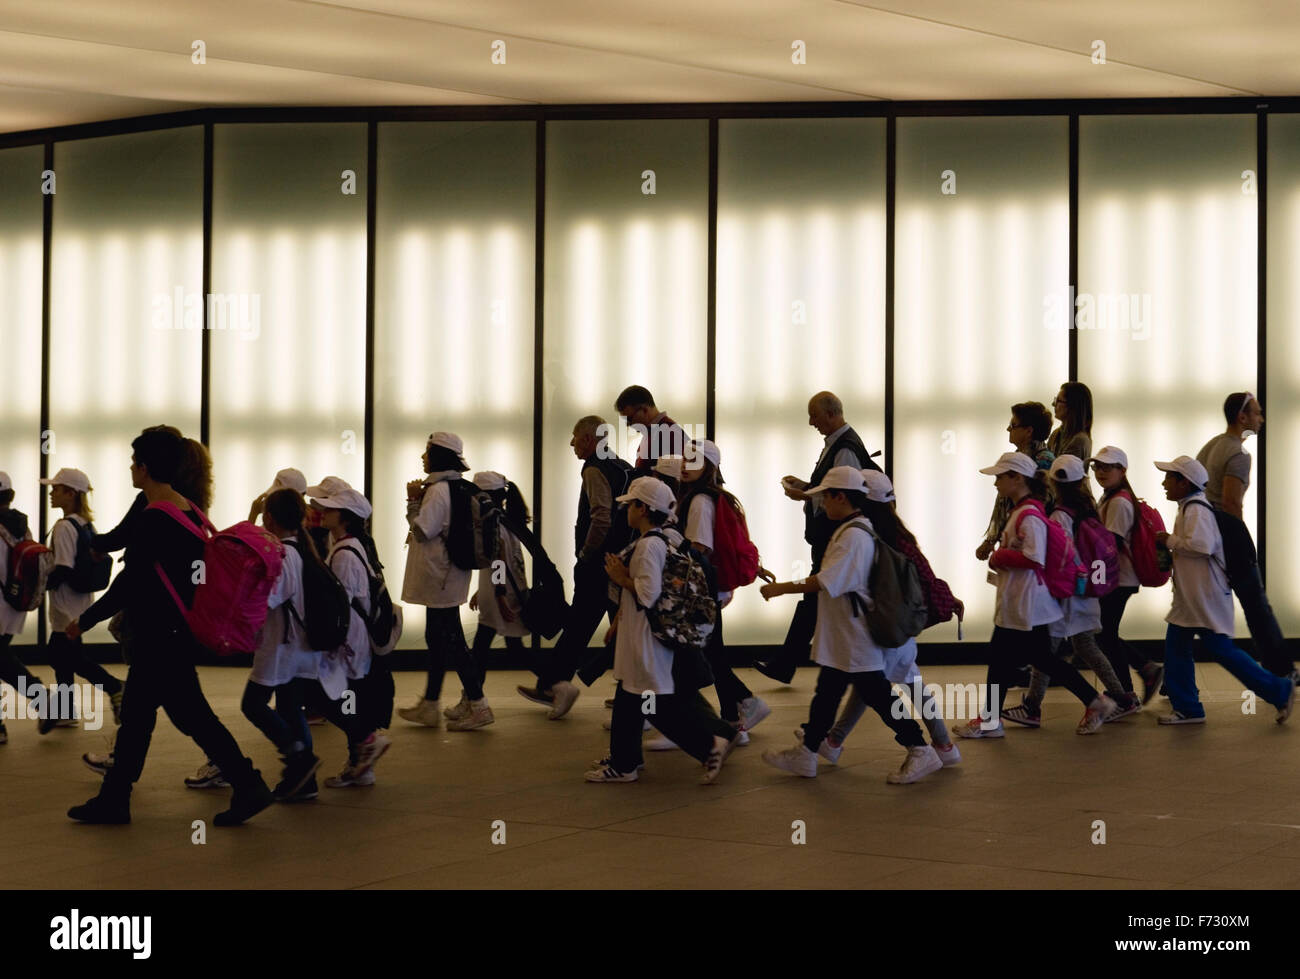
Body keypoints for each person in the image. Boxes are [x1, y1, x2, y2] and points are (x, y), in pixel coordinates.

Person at [66, 427, 274, 826]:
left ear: (144, 468)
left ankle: (247, 785)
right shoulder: (188, 511)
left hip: (157, 635)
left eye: (133, 462)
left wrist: (85, 620)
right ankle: (117, 799)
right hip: (175, 632)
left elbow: (131, 582)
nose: (130, 468)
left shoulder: (155, 517)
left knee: (176, 718)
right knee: (151, 718)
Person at [759, 467, 942, 784]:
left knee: (878, 696)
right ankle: (808, 752)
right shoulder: (853, 530)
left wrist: (782, 587)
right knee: (828, 693)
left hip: (854, 635)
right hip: (845, 635)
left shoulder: (854, 536)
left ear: (840, 497)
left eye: (825, 498)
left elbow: (825, 581)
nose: (823, 505)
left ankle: (919, 748)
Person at [804, 470, 963, 768]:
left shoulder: (868, 535)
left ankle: (934, 745)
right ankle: (942, 746)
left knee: (874, 685)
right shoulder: (895, 534)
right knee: (878, 684)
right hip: (894, 626)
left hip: (884, 627)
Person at [955, 452, 1118, 740]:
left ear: (1017, 479)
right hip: (1023, 604)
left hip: (1026, 605)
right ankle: (991, 719)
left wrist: (999, 556)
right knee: (1018, 659)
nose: (995, 484)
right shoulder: (1025, 511)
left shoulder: (1028, 515)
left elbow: (1034, 557)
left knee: (1028, 659)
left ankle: (1095, 702)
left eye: (1000, 477)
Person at [586, 476, 736, 784]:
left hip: (644, 641)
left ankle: (709, 745)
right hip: (641, 639)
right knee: (635, 700)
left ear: (642, 508)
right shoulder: (661, 541)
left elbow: (647, 594)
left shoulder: (648, 546)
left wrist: (620, 576)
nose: (626, 510)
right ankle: (626, 761)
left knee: (655, 704)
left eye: (630, 504)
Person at [1153, 455, 1294, 725]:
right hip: (1193, 598)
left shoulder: (1196, 509)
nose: (1164, 483)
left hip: (1203, 597)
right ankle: (1188, 707)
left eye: (1169, 478)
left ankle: (1278, 689)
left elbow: (1202, 545)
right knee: (1176, 648)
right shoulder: (1190, 507)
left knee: (1220, 650)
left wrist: (1169, 541)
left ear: (1184, 482)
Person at [1000, 455, 1138, 728]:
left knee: (1047, 651)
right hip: (1086, 589)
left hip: (1068, 591)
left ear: (1053, 481)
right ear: (1082, 480)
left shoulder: (1060, 514)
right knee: (1084, 645)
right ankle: (1124, 697)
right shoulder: (1088, 507)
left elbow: (1061, 556)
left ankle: (1032, 708)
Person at [757, 391, 882, 683]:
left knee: (815, 595)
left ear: (831, 414)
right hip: (830, 537)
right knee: (813, 601)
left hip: (831, 537)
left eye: (814, 415)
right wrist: (808, 488)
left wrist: (805, 495)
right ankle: (791, 663)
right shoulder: (839, 445)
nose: (811, 422)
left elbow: (845, 495)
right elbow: (835, 489)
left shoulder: (845, 448)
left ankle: (793, 662)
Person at [518, 416, 632, 718]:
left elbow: (601, 516)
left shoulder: (594, 468)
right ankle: (556, 685)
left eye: (574, 437)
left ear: (588, 439)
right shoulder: (622, 466)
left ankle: (557, 686)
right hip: (622, 560)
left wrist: (586, 552)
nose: (571, 444)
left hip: (599, 564)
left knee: (581, 625)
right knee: (613, 626)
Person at [1195, 392, 1293, 681]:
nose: (1261, 419)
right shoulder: (1238, 453)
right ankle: (1282, 670)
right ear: (1242, 417)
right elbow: (1231, 503)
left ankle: (1176, 678)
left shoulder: (1211, 445)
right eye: (1257, 413)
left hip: (1205, 534)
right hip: (1226, 537)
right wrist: (1243, 545)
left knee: (1194, 611)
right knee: (1257, 605)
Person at [677, 439, 771, 734]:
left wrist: (681, 586)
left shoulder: (700, 501)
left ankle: (746, 702)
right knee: (712, 652)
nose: (685, 464)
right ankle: (732, 718)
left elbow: (699, 548)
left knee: (707, 655)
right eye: (684, 458)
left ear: (709, 466)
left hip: (701, 590)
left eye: (693, 460)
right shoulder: (716, 497)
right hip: (713, 588)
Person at [240, 488, 324, 801]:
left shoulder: (284, 556)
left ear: (269, 518)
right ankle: (303, 781)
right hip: (301, 646)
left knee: (252, 705)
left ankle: (299, 760)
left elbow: (270, 599)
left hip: (280, 647)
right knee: (290, 708)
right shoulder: (303, 550)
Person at [310, 485, 393, 785]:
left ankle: (365, 740)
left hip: (347, 641)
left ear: (344, 516)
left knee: (325, 695)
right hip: (356, 640)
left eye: (329, 509)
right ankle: (360, 766)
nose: (322, 513)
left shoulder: (344, 553)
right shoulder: (355, 545)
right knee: (349, 697)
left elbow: (340, 604)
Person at [397, 433, 477, 729]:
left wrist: (412, 502)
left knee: (452, 640)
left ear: (439, 456)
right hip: (449, 573)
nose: (422, 457)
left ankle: (477, 703)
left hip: (439, 575)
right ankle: (431, 702)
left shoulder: (438, 490)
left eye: (427, 451)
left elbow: (422, 531)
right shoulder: (454, 486)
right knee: (439, 638)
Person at [40, 467, 122, 734]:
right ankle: (65, 711)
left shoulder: (64, 526)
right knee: (65, 657)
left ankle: (115, 687)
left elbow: (63, 567)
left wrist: (39, 587)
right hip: (82, 603)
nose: (51, 493)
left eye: (56, 489)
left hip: (65, 606)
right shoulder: (86, 524)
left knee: (64, 656)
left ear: (70, 493)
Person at [448, 471, 530, 729]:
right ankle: (556, 685)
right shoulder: (505, 521)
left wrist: (498, 595)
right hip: (502, 593)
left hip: (501, 595)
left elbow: (497, 562)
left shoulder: (493, 522)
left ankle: (472, 701)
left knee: (481, 649)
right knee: (510, 649)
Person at [1090, 446, 1164, 703]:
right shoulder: (1112, 497)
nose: (1101, 472)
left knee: (1103, 635)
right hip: (1118, 578)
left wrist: (1096, 580)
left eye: (1107, 467)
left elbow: (1111, 546)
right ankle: (1144, 671)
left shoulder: (1119, 501)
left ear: (1122, 471)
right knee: (1104, 634)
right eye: (1097, 466)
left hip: (1118, 579)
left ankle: (1126, 692)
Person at [977, 401, 1055, 561]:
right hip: (1014, 536)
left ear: (1028, 431)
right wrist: (992, 539)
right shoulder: (1019, 456)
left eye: (1013, 425)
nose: (1008, 429)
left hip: (1031, 542)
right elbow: (1004, 502)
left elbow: (1042, 504)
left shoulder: (1043, 461)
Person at [0, 471, 46, 743]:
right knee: (2, 660)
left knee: (3, 662)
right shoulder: (20, 525)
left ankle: (48, 702)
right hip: (14, 604)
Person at [614, 385, 687, 472]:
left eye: (629, 419)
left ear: (644, 410)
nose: (628, 424)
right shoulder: (654, 432)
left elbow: (675, 478)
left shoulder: (669, 433)